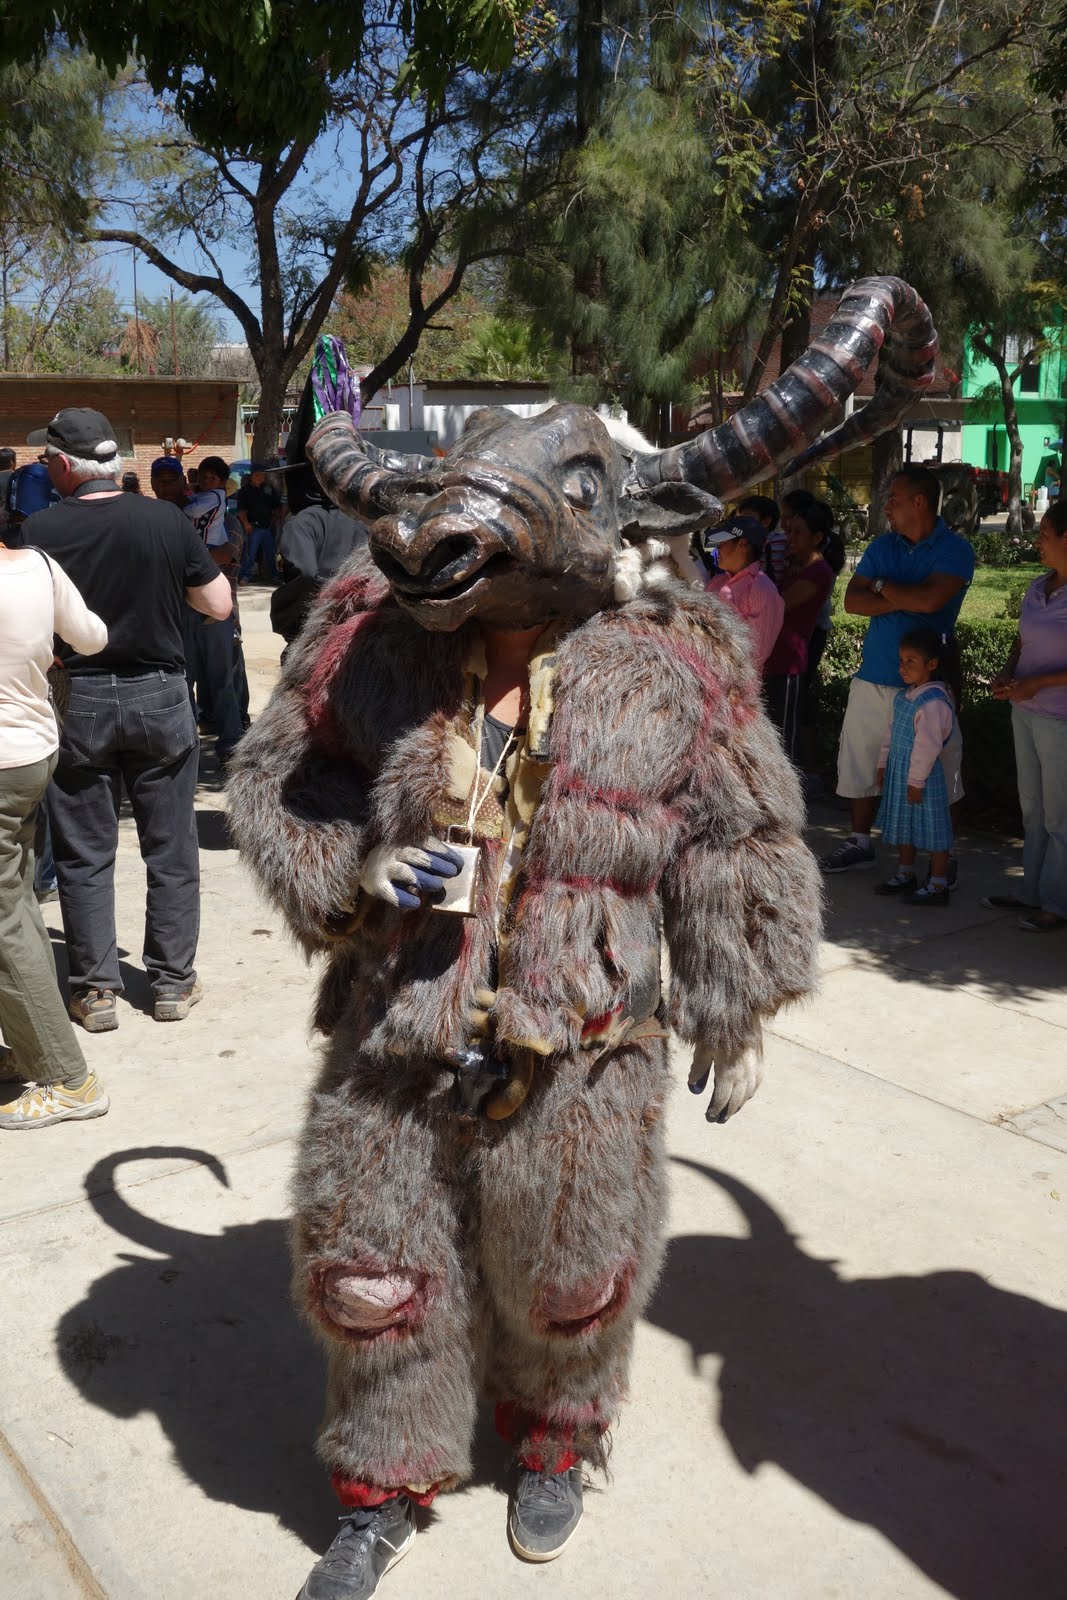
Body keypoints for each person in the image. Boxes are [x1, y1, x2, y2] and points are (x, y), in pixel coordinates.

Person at [229, 401, 821, 1600]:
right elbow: (282, 773)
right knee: (374, 1270)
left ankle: (557, 1437)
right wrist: (353, 871)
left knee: (570, 1270)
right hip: (398, 1024)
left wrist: (735, 996)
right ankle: (383, 1484)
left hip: (587, 1037)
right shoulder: (368, 639)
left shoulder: (673, 654)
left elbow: (736, 835)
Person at [25, 407, 233, 1032]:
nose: (43, 468)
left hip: (79, 701)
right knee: (172, 848)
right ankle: (171, 983)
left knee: (84, 855)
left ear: (66, 465)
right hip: (160, 697)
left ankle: (94, 992)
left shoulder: (39, 530)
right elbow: (219, 604)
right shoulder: (167, 520)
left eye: (47, 459)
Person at [0, 538, 110, 1128]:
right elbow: (92, 637)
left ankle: (68, 1080)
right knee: (15, 905)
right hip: (33, 754)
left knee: (5, 920)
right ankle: (27, 1041)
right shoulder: (39, 567)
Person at [819, 465, 974, 875]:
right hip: (875, 675)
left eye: (894, 499)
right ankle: (859, 841)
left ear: (919, 502)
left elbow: (931, 601)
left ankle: (945, 858)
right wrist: (911, 596)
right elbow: (854, 601)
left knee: (940, 769)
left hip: (930, 686)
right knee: (861, 759)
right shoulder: (883, 546)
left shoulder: (955, 550)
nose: (885, 507)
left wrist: (883, 587)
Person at [986, 501, 1067, 931]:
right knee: (1032, 810)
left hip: (1060, 719)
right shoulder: (1037, 587)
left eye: (1045, 534)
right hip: (1026, 713)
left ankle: (1056, 903)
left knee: (1059, 816)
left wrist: (1040, 684)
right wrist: (1008, 672)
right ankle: (1030, 893)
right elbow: (1021, 643)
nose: (1037, 541)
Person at [872, 629, 958, 907]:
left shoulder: (933, 703)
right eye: (901, 660)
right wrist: (884, 762)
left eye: (911, 661)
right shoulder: (906, 696)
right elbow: (891, 733)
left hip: (921, 778)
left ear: (931, 664)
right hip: (901, 773)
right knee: (903, 825)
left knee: (934, 829)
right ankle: (905, 872)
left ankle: (938, 883)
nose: (902, 667)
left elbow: (927, 747)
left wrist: (916, 782)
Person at [181, 455, 245, 769]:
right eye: (202, 478)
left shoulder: (229, 523)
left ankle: (231, 745)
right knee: (186, 680)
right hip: (187, 612)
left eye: (212, 478)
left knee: (223, 682)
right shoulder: (192, 519)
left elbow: (223, 556)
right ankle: (187, 747)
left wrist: (188, 561)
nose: (206, 484)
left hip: (218, 614)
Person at [763, 500, 836, 764]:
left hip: (789, 663)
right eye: (789, 530)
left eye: (798, 532)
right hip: (773, 657)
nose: (790, 537)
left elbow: (780, 604)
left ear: (817, 537)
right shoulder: (794, 564)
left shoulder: (819, 572)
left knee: (783, 738)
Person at [273, 500, 369, 658]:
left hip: (315, 640)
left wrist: (285, 619)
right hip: (359, 635)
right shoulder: (363, 520)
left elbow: (306, 575)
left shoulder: (302, 522)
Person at [703, 514, 785, 670]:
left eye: (723, 543)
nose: (717, 548)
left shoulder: (762, 589)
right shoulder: (716, 582)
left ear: (742, 544)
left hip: (733, 686)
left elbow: (756, 655)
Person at [237, 462, 281, 584]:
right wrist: (246, 524)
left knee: (270, 553)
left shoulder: (268, 489)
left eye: (263, 475)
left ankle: (274, 576)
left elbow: (275, 505)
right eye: (259, 475)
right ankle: (245, 576)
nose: (262, 477)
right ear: (253, 475)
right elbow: (242, 511)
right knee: (250, 554)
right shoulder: (244, 491)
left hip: (267, 526)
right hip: (253, 527)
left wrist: (275, 517)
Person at [737, 493, 788, 585]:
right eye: (740, 519)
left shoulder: (785, 542)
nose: (741, 523)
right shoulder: (744, 545)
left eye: (746, 518)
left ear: (766, 521)